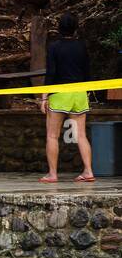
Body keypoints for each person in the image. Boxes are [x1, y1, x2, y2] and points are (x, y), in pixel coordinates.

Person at [40, 13, 94, 183]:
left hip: (60, 93)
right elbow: (87, 72)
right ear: (75, 28)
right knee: (81, 135)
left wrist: (44, 97)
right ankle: (88, 171)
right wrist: (86, 91)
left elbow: (51, 73)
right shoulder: (81, 46)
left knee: (52, 135)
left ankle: (53, 174)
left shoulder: (54, 47)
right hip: (79, 93)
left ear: (59, 28)